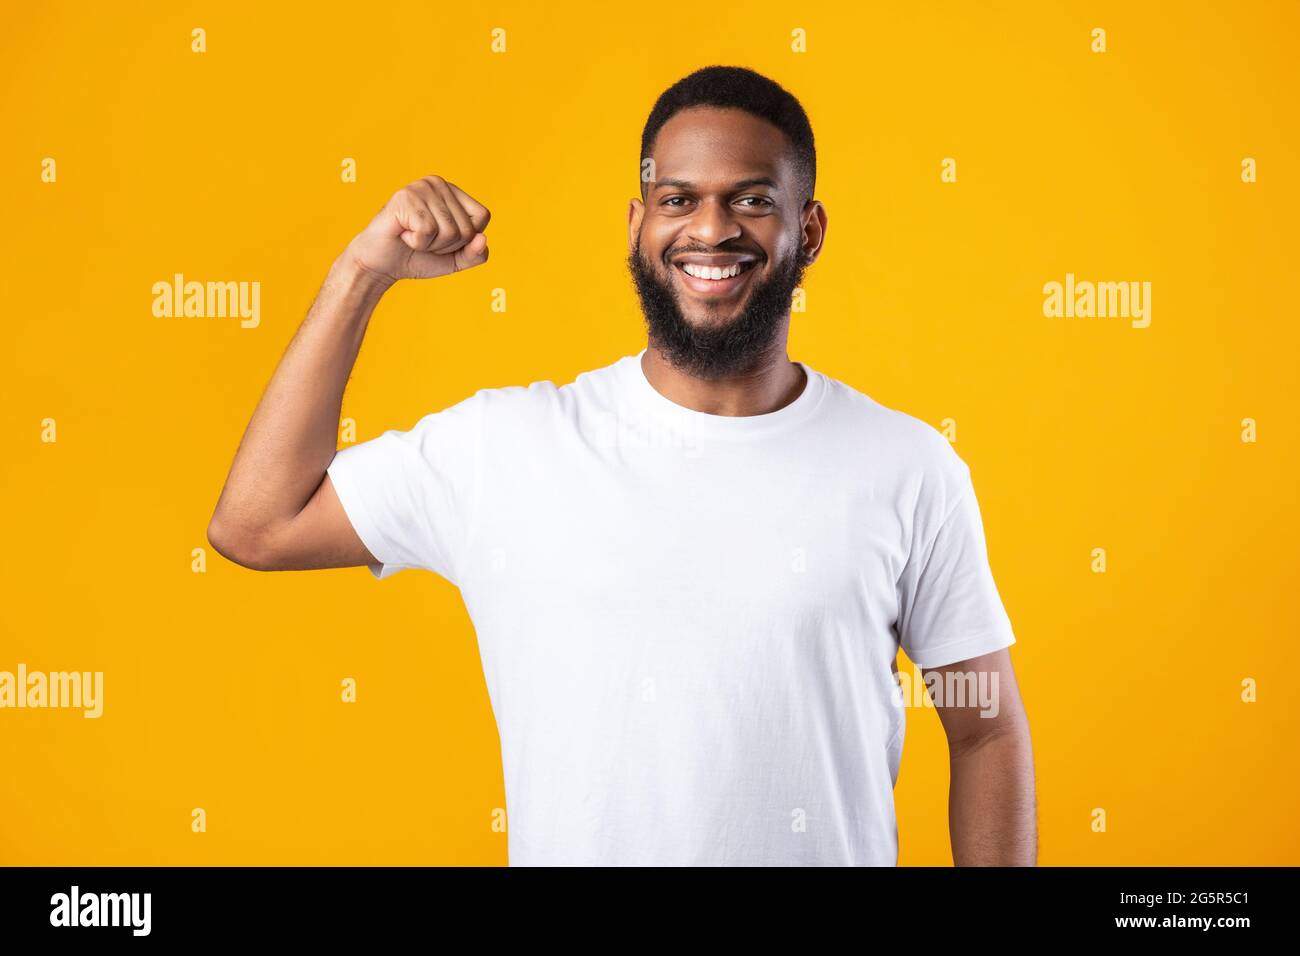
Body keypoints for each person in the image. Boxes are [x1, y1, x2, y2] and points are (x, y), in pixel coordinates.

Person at [207, 65, 1036, 866]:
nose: (711, 231)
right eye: (679, 200)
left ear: (807, 231)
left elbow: (986, 727)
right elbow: (258, 524)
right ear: (638, 225)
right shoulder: (508, 448)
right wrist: (361, 276)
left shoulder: (908, 466)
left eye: (751, 199)